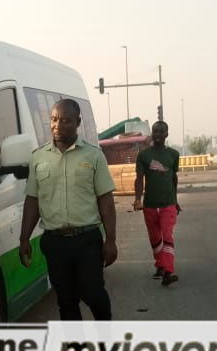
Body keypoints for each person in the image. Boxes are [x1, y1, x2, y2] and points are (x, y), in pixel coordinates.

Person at [19, 98, 117, 320]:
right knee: (66, 301)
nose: (57, 125)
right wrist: (24, 238)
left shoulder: (93, 156)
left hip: (87, 240)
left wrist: (110, 239)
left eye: (65, 121)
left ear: (77, 122)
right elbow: (32, 200)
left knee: (93, 294)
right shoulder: (38, 157)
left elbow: (106, 201)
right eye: (54, 120)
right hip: (55, 243)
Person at [133, 120, 181, 286]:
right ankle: (160, 265)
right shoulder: (144, 156)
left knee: (167, 234)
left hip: (168, 204)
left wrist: (176, 201)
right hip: (150, 205)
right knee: (155, 238)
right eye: (156, 131)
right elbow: (139, 179)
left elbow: (173, 178)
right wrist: (138, 199)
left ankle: (168, 270)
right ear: (152, 133)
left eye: (162, 132)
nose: (158, 134)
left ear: (167, 134)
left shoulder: (173, 155)